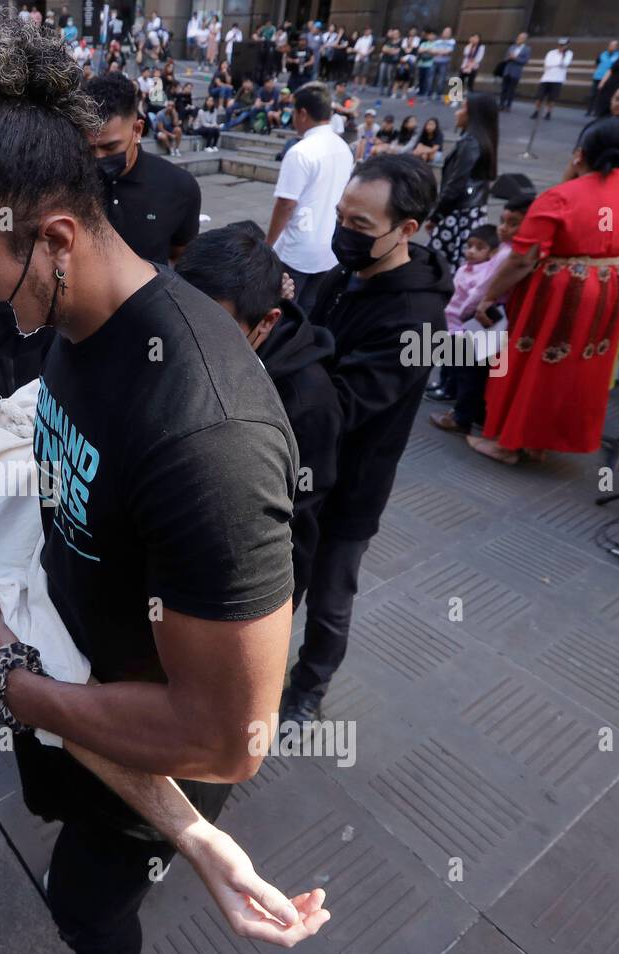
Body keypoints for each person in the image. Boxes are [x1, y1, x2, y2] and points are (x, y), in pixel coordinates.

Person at [0, 12, 320, 954]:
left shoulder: (205, 435)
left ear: (53, 240)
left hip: (140, 745)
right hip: (71, 698)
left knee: (88, 912)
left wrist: (21, 690)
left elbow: (228, 735)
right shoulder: (78, 321)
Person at [280, 153, 452, 724]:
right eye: (339, 217)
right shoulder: (346, 273)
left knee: (331, 594)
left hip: (351, 480)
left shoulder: (418, 321)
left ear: (407, 229)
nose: (342, 234)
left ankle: (309, 688)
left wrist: (283, 365)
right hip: (298, 469)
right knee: (281, 584)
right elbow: (307, 329)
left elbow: (344, 405)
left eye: (359, 226)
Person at [469, 119, 619, 464]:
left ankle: (507, 444)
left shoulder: (560, 197)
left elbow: (523, 260)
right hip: (614, 284)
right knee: (582, 366)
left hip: (564, 291)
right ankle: (539, 442)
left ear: (580, 153)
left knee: (534, 363)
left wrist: (489, 295)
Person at [177, 222, 342, 604]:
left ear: (266, 322)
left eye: (214, 326)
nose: (188, 337)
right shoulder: (175, 343)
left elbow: (293, 530)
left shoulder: (306, 404)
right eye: (182, 314)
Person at [429, 201, 532, 434]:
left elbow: (484, 288)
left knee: (471, 368)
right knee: (482, 368)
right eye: (503, 221)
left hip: (485, 316)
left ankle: (461, 416)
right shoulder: (514, 251)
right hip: (498, 317)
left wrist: (468, 310)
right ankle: (475, 413)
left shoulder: (509, 254)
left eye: (513, 224)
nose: (503, 228)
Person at [84, 72, 201, 265]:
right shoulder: (69, 180)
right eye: (89, 148)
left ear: (137, 130)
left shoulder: (179, 187)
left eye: (110, 147)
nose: (98, 157)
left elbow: (180, 256)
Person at [266, 82, 354, 311]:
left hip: (297, 250)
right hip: (328, 248)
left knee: (283, 313)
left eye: (293, 112)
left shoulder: (301, 151)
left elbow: (286, 204)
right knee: (310, 313)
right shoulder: (343, 148)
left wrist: (269, 245)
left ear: (302, 113)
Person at [425, 93, 498, 271]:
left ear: (473, 114)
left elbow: (455, 184)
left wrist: (436, 215)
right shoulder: (484, 140)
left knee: (438, 266)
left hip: (457, 215)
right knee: (462, 266)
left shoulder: (470, 143)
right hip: (473, 212)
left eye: (463, 108)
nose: (457, 112)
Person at [534, 38, 573, 121]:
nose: (561, 47)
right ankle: (536, 111)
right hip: (546, 78)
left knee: (552, 98)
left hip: (558, 79)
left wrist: (562, 57)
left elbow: (565, 64)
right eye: (560, 45)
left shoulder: (569, 54)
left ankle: (548, 113)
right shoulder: (551, 52)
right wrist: (558, 64)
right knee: (539, 97)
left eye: (564, 45)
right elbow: (547, 63)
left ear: (567, 46)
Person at [498, 33, 531, 112]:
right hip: (507, 70)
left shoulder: (527, 49)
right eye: (518, 37)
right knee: (504, 89)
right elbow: (505, 58)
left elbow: (525, 61)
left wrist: (515, 58)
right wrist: (509, 57)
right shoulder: (512, 47)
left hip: (516, 72)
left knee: (511, 90)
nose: (519, 39)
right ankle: (501, 104)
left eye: (521, 38)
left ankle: (508, 106)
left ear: (525, 40)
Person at [589, 40, 619, 115]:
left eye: (614, 45)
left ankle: (598, 111)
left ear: (617, 47)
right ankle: (589, 110)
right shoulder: (603, 54)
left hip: (609, 78)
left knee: (603, 95)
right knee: (593, 94)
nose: (612, 47)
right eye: (611, 45)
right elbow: (597, 62)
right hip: (598, 76)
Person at [431, 27, 456, 98]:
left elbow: (449, 51)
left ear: (450, 34)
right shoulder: (437, 41)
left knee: (441, 79)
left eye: (448, 32)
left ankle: (438, 94)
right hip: (435, 61)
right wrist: (441, 52)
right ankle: (430, 92)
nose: (446, 33)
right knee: (432, 78)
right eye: (445, 32)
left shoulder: (452, 41)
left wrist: (439, 52)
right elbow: (432, 50)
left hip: (444, 62)